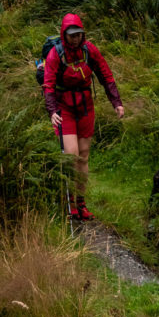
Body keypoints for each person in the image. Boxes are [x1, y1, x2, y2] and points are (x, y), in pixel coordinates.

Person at [42, 12, 123, 221]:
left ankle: (81, 203)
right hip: (64, 108)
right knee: (71, 155)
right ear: (64, 35)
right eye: (71, 35)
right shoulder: (55, 55)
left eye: (78, 34)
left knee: (84, 155)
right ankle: (69, 203)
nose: (75, 38)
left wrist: (117, 102)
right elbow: (49, 85)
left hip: (85, 106)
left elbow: (106, 74)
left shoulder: (89, 50)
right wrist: (52, 112)